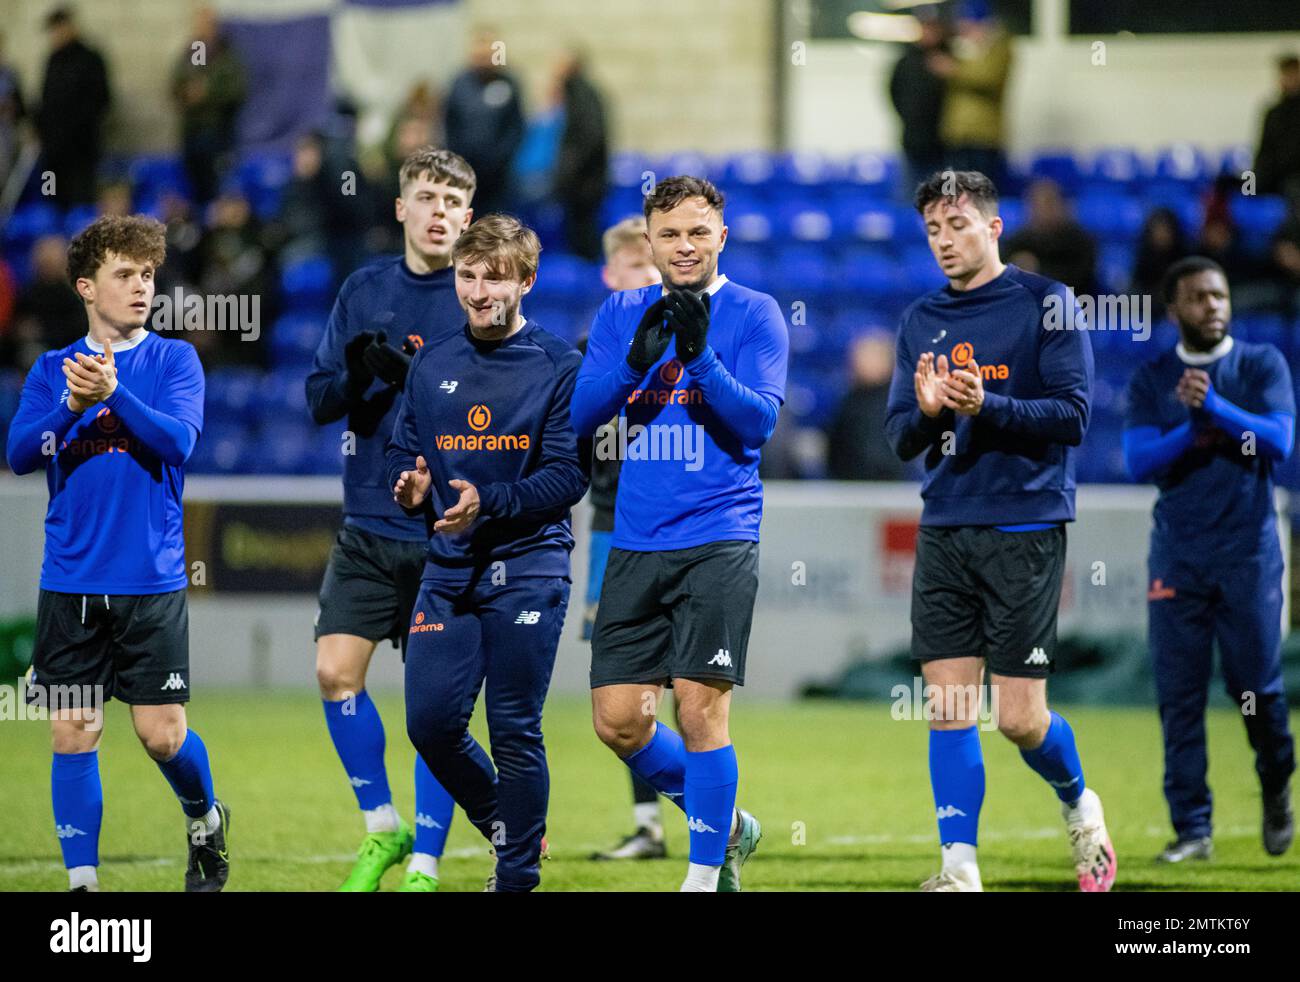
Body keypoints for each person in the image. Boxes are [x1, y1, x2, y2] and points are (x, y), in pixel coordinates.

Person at [884, 170, 1114, 892]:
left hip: (1025, 524)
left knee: (1018, 719)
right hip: (947, 526)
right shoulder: (920, 318)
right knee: (948, 707)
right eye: (933, 232)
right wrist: (928, 413)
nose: (945, 242)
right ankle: (960, 867)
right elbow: (899, 438)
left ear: (994, 227)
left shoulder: (1048, 304)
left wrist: (990, 404)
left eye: (958, 227)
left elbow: (1074, 416)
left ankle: (1080, 804)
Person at [571, 175, 789, 892]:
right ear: (650, 240)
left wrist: (700, 361)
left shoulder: (756, 314)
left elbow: (757, 422)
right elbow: (580, 417)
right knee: (618, 722)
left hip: (719, 536)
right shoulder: (620, 311)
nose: (685, 245)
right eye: (670, 234)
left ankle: (702, 876)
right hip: (634, 540)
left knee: (700, 709)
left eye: (698, 232)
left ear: (721, 236)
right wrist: (636, 362)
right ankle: (725, 823)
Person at [5, 215, 227, 892]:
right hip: (70, 580)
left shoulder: (172, 361)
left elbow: (177, 444)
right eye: (125, 274)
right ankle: (83, 888)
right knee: (73, 732)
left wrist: (113, 394)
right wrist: (73, 403)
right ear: (85, 286)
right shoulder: (50, 369)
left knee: (161, 736)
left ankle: (205, 818)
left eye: (148, 274)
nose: (141, 287)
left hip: (150, 579)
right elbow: (18, 455)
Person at [388, 214, 587, 893]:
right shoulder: (432, 361)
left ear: (526, 281)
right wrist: (410, 485)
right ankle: (510, 822)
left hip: (529, 565)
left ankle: (516, 875)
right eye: (467, 276)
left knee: (512, 727)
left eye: (495, 278)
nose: (478, 291)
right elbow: (401, 447)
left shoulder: (560, 366)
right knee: (431, 725)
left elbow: (570, 476)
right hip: (448, 569)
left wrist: (491, 501)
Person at [305, 148, 476, 892]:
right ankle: (383, 827)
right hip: (369, 526)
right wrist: (357, 375)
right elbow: (318, 400)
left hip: (447, 535)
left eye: (454, 202)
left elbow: (498, 406)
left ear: (469, 218)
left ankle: (427, 866)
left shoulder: (479, 293)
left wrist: (425, 383)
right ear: (401, 208)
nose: (440, 211)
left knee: (434, 711)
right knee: (334, 673)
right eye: (428, 196)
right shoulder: (363, 288)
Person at [1123, 256, 1295, 863]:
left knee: (1257, 687)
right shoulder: (1151, 379)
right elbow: (1140, 462)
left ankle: (1276, 782)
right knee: (1180, 695)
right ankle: (1193, 828)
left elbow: (1279, 441)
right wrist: (1193, 433)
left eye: (1219, 295)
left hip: (1248, 554)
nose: (1213, 306)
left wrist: (1216, 408)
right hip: (1179, 555)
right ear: (1174, 309)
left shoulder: (1260, 364)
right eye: (1198, 297)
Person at [579, 217, 673, 862]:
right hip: (612, 526)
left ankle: (702, 811)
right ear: (612, 275)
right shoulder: (596, 346)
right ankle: (650, 825)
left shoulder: (687, 343)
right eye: (634, 269)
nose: (646, 279)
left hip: (679, 526)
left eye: (653, 269)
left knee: (678, 688)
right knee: (625, 688)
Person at [927, 2, 1012, 189]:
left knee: (982, 195)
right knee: (959, 195)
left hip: (984, 137)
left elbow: (989, 79)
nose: (963, 28)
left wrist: (953, 70)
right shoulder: (959, 47)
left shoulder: (998, 48)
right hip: (957, 136)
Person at [444, 26, 525, 218]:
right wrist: (459, 157)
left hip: (498, 174)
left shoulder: (508, 83)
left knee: (494, 221)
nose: (483, 58)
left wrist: (500, 158)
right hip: (465, 169)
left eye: (488, 53)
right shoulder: (459, 83)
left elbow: (516, 126)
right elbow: (450, 123)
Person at [170, 5, 247, 206]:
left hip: (218, 133)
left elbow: (237, 89)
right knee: (195, 187)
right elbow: (180, 83)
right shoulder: (194, 52)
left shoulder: (227, 55)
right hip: (193, 131)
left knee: (218, 186)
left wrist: (208, 92)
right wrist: (188, 92)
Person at [35, 7, 111, 209]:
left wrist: (74, 126)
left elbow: (101, 100)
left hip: (80, 151)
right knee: (52, 201)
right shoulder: (53, 60)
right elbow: (46, 100)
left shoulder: (90, 59)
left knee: (81, 203)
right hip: (53, 152)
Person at [551, 46, 609, 261]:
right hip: (579, 183)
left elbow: (589, 138)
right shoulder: (574, 93)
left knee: (584, 238)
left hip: (585, 185)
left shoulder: (582, 94)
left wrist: (568, 171)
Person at [825, 331, 906, 481]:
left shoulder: (898, 403)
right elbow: (835, 450)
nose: (861, 362)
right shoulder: (848, 401)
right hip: (848, 488)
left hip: (889, 489)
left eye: (872, 356)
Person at [888, 6, 948, 200]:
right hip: (913, 141)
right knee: (911, 199)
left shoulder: (950, 60)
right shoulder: (906, 61)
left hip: (945, 144)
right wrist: (910, 118)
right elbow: (893, 93)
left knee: (943, 204)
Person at [1000, 178, 1097, 293]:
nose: (1043, 211)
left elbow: (1079, 278)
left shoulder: (1080, 242)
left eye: (1049, 204)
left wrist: (1037, 271)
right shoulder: (1017, 241)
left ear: (1062, 206)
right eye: (1036, 205)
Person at [1253, 53, 1300, 202]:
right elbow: (1263, 149)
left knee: (1293, 190)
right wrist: (1256, 175)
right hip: (1272, 176)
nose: (1290, 79)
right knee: (1237, 185)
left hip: (1294, 177)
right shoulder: (1273, 113)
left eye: (1294, 74)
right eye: (1286, 74)